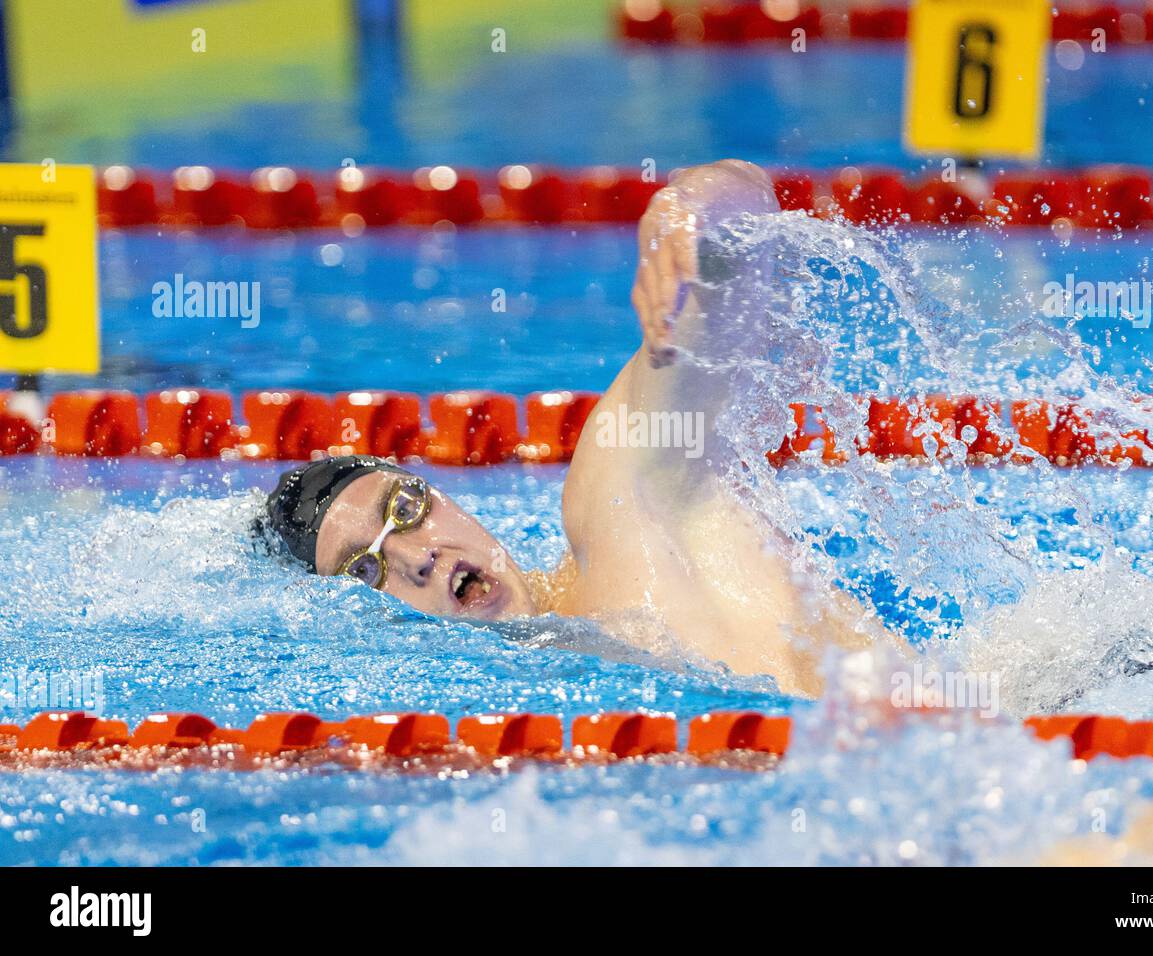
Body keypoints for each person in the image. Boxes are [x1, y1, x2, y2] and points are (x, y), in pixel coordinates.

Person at [259, 160, 885, 695]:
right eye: (364, 571)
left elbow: (744, 217)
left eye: (406, 506)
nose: (417, 556)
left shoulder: (624, 508)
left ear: (444, 496)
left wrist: (686, 208)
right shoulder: (530, 698)